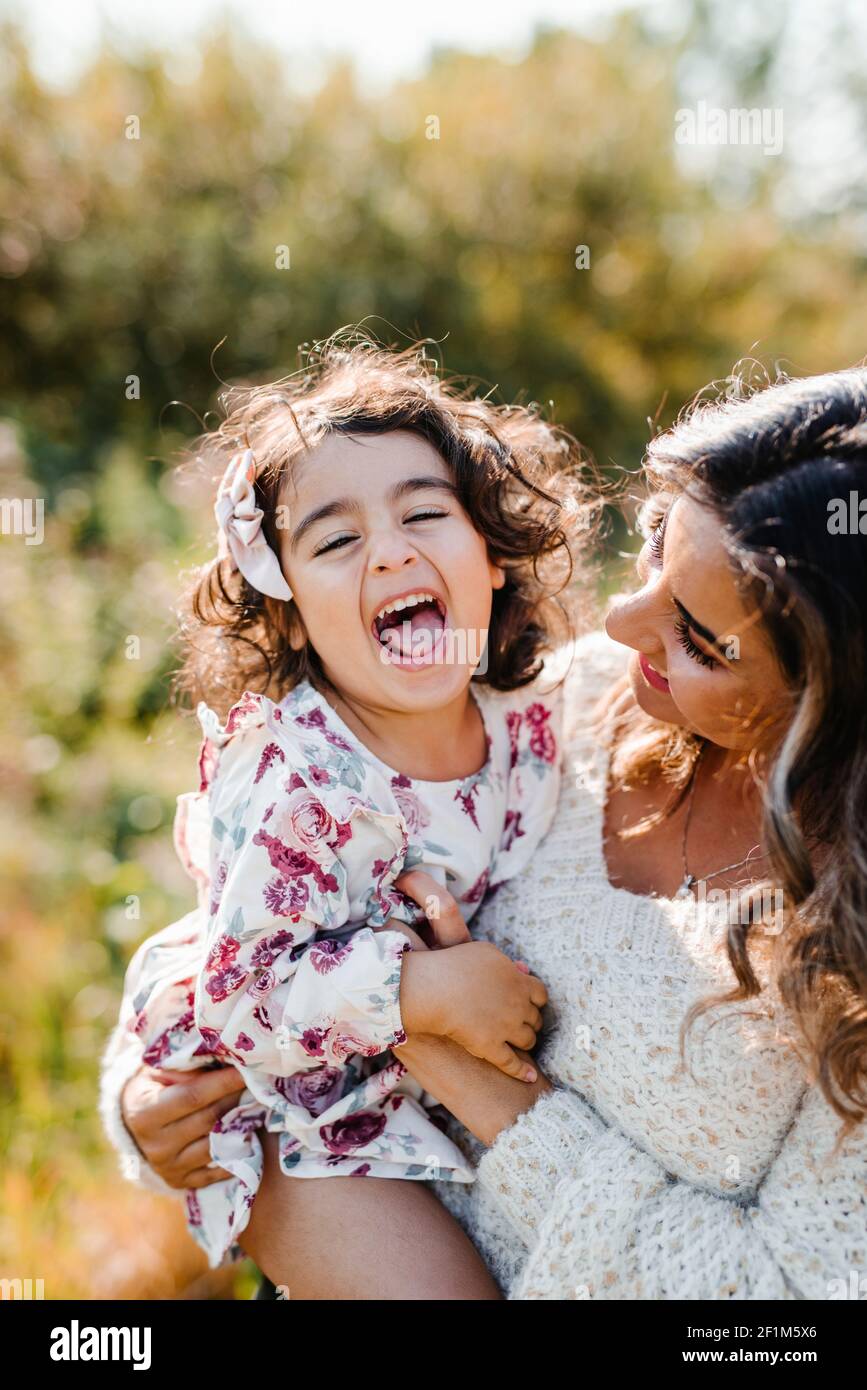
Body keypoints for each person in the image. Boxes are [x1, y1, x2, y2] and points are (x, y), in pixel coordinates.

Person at [103, 366, 867, 1300]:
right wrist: (152, 1105)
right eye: (655, 549)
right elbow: (229, 941)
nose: (622, 624)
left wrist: (482, 1085)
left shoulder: (521, 731)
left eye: (699, 638)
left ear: (833, 697)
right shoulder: (556, 707)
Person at [99, 333, 593, 1291]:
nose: (391, 551)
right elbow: (238, 993)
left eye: (424, 513)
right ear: (285, 614)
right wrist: (422, 991)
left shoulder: (531, 720)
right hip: (282, 1109)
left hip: (403, 1093)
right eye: (336, 539)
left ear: (491, 556)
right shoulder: (300, 782)